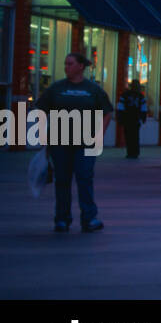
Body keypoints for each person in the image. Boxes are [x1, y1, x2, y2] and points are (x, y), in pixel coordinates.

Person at [35, 52, 112, 232]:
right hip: (60, 142)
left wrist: (99, 135)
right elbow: (41, 110)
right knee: (62, 180)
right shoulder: (57, 88)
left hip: (85, 143)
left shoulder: (93, 89)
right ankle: (62, 219)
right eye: (65, 64)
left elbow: (107, 112)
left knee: (85, 179)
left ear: (80, 67)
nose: (66, 67)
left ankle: (89, 218)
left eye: (70, 64)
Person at [116, 80, 148, 159]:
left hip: (127, 119)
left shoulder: (125, 95)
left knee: (128, 136)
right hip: (136, 119)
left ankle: (130, 153)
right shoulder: (140, 96)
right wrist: (142, 118)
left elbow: (120, 107)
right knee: (135, 136)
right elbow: (144, 109)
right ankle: (135, 153)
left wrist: (120, 118)